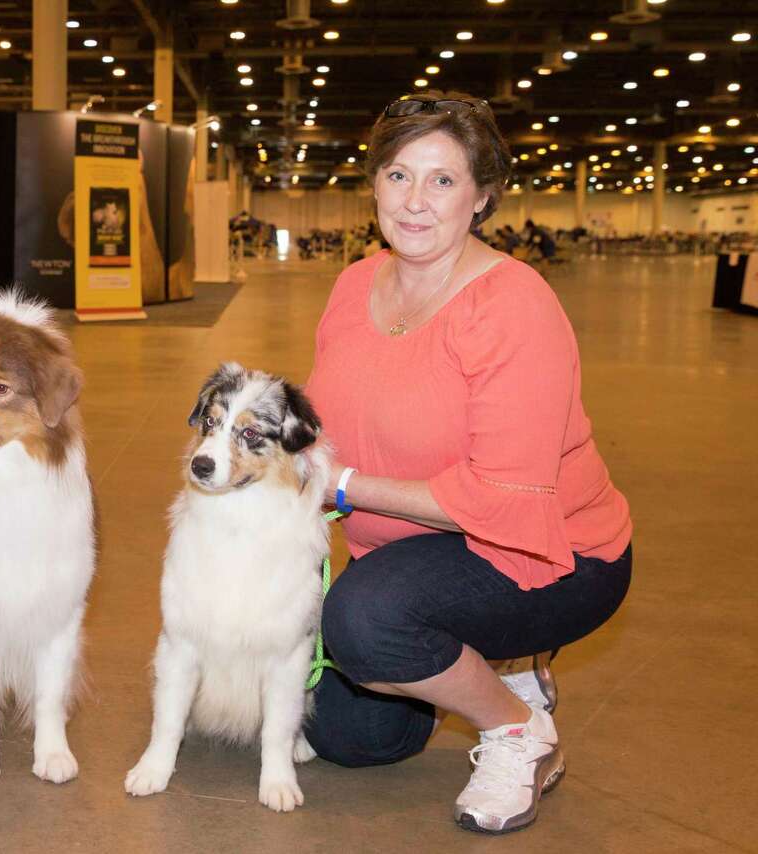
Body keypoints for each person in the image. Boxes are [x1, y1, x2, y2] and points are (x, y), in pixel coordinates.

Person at [303, 92, 632, 834]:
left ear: (482, 196)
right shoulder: (355, 283)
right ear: (374, 184)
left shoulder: (513, 305)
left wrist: (342, 486)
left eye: (443, 180)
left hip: (549, 552)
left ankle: (519, 728)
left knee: (363, 623)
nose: (415, 201)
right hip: (410, 550)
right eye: (398, 175)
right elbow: (332, 417)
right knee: (350, 739)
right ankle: (492, 662)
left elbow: (503, 499)